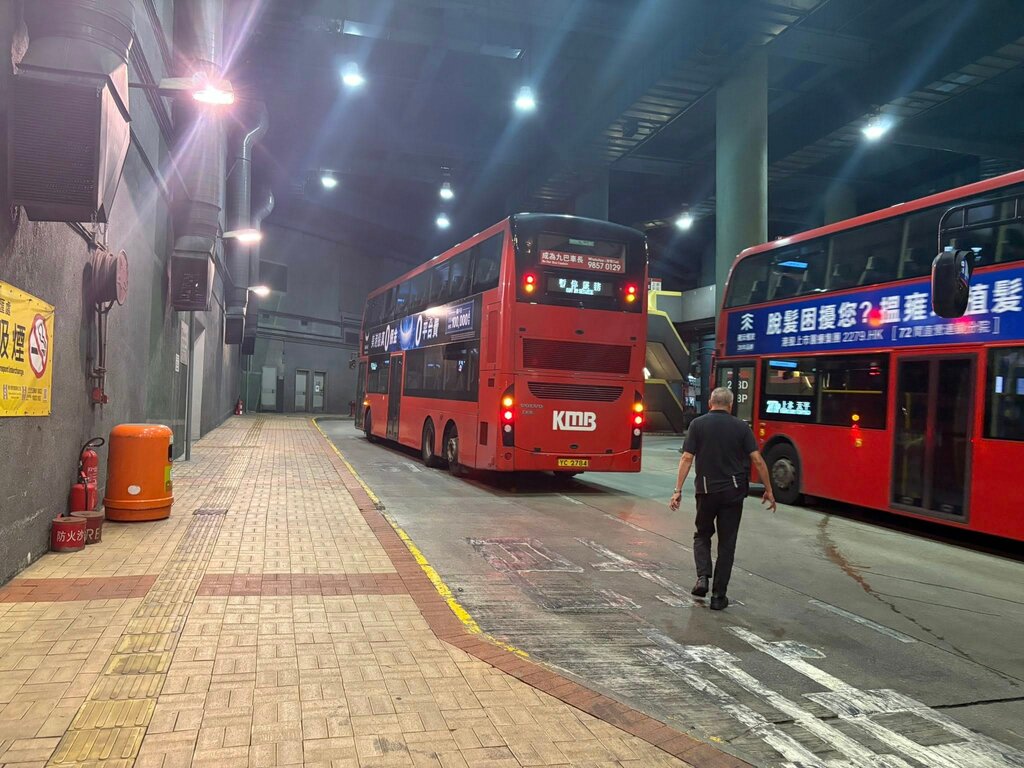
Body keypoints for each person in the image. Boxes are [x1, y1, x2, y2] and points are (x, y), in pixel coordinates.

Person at [669, 387, 776, 610]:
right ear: (731, 405)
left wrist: (677, 490)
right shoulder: (741, 427)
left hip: (706, 491)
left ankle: (702, 578)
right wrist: (768, 489)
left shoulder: (697, 424)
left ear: (710, 403)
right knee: (727, 544)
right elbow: (757, 459)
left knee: (702, 534)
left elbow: (687, 458)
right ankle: (719, 597)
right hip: (733, 493)